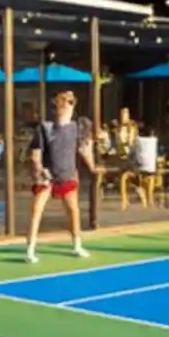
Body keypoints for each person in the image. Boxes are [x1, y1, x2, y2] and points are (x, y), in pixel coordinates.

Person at [24, 91, 100, 263]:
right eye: (64, 101)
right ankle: (30, 249)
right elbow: (36, 154)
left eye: (71, 101)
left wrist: (93, 167)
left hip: (67, 176)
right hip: (46, 178)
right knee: (36, 211)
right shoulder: (45, 128)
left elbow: (84, 150)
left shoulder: (77, 128)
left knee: (73, 211)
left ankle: (77, 245)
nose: (67, 104)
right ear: (56, 105)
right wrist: (40, 169)